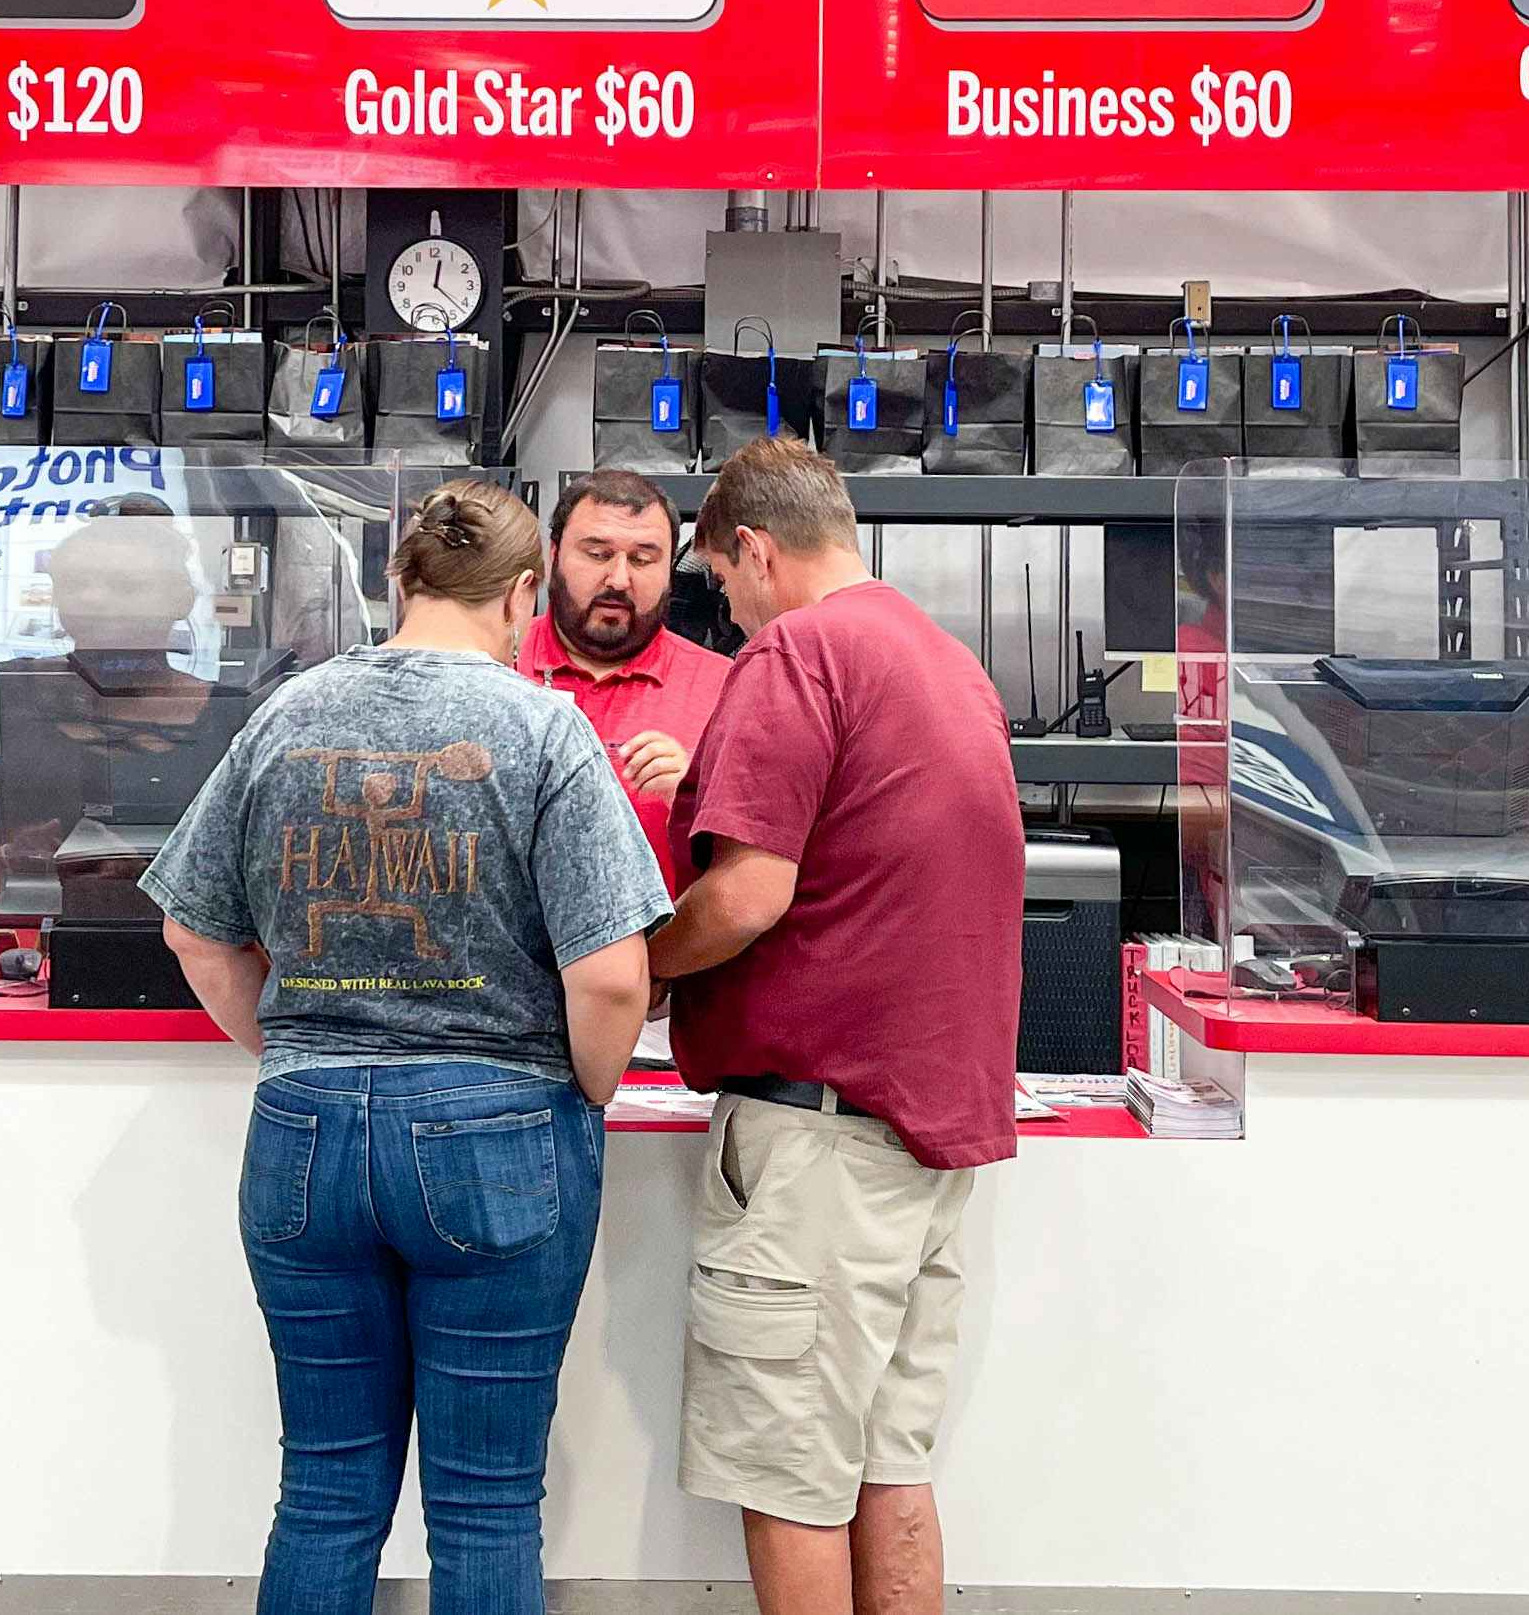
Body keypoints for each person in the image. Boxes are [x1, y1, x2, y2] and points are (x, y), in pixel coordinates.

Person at [148, 480, 670, 1615]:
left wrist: (287, 1045)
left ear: (397, 580)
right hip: (499, 1132)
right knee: (484, 1504)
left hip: (302, 1134)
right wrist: (584, 1088)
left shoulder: (284, 716)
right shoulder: (544, 729)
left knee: (326, 1489)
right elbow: (614, 971)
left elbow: (194, 927)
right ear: (526, 595)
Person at [652, 437, 1025, 1615]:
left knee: (789, 1475)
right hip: (918, 1142)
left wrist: (641, 973)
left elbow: (750, 893)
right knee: (888, 1465)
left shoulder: (799, 650)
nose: (728, 607)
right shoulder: (945, 661)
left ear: (753, 549)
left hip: (816, 1147)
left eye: (719, 580)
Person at [519, 468, 732, 889]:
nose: (618, 579)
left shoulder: (727, 688)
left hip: (665, 950)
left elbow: (756, 875)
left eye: (642, 559)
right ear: (554, 555)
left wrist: (697, 798)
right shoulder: (498, 665)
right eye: (597, 554)